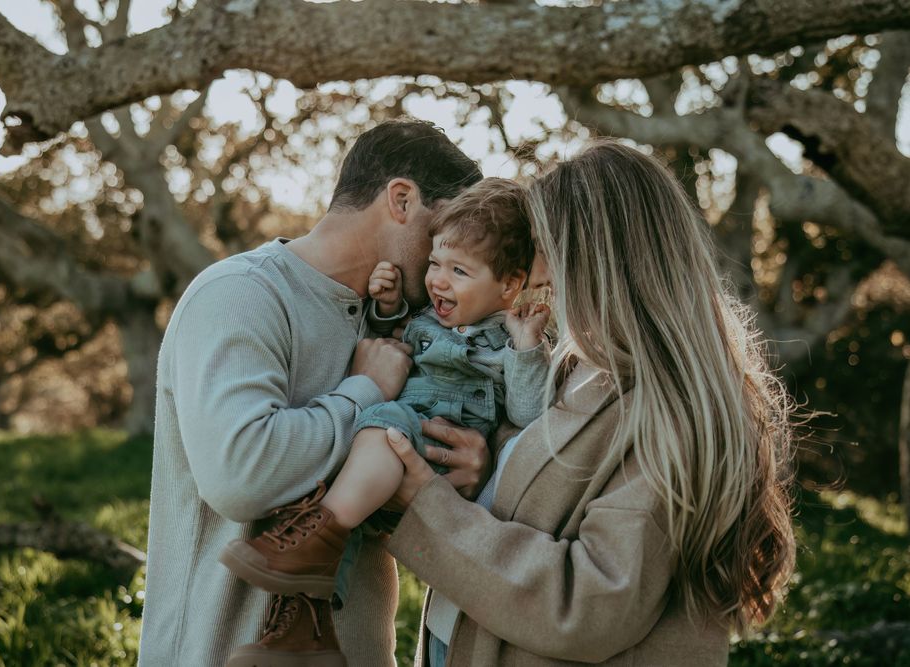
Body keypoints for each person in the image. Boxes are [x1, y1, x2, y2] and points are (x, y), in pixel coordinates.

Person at [383, 139, 796, 666]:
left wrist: (428, 505)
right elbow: (554, 486)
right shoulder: (586, 369)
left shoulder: (671, 415)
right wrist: (483, 468)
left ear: (601, 266)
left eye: (552, 271)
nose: (539, 285)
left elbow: (591, 606)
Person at [137, 119, 490, 667]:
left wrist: (456, 475)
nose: (452, 258)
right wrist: (365, 391)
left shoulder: (406, 325)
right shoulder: (240, 294)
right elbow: (242, 474)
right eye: (444, 231)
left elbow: (386, 514)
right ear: (401, 200)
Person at [219, 178, 552, 665]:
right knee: (339, 550)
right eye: (435, 262)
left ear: (509, 284)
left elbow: (527, 414)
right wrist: (389, 305)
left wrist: (526, 350)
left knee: (384, 425)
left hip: (429, 458)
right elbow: (393, 339)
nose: (438, 280)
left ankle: (318, 531)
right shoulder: (428, 316)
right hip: (384, 469)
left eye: (459, 270)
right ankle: (300, 636)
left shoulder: (508, 340)